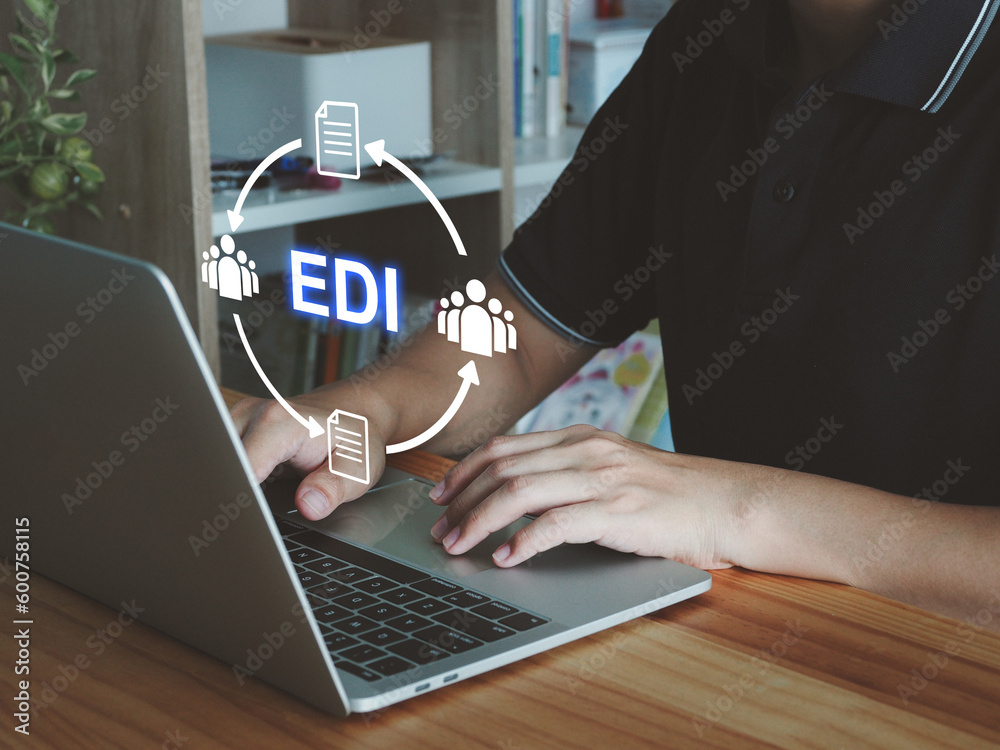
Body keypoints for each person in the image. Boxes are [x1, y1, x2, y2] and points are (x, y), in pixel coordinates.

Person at [232, 0, 1000, 628]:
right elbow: (522, 335)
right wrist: (363, 409)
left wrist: (732, 508)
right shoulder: (706, 37)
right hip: (721, 638)